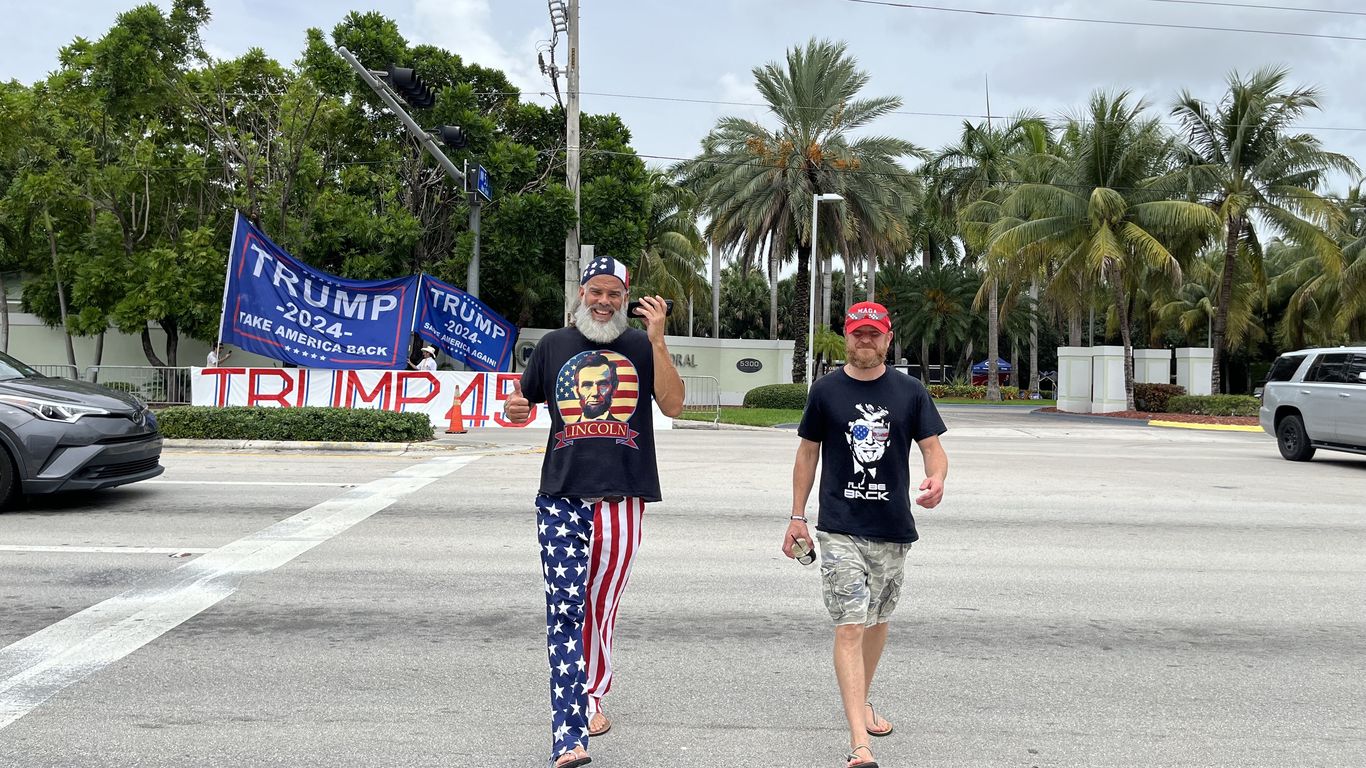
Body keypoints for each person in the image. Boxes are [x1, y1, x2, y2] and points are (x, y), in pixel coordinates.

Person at [504, 255, 684, 768]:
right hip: (561, 496)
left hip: (623, 499)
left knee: (599, 608)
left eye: (614, 295)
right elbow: (522, 403)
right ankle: (570, 728)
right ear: (581, 293)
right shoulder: (554, 347)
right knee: (565, 610)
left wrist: (658, 339)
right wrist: (514, 410)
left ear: (625, 299)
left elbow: (673, 406)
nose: (603, 303)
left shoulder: (639, 346)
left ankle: (594, 691)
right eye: (595, 292)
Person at [783, 301, 949, 768]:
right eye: (858, 333)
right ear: (847, 336)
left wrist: (937, 479)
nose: (866, 341)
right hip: (839, 528)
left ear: (888, 338)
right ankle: (860, 742)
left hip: (893, 530)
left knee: (876, 622)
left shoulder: (910, 392)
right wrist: (797, 516)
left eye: (874, 334)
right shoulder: (826, 392)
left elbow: (934, 449)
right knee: (851, 625)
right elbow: (806, 456)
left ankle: (863, 703)